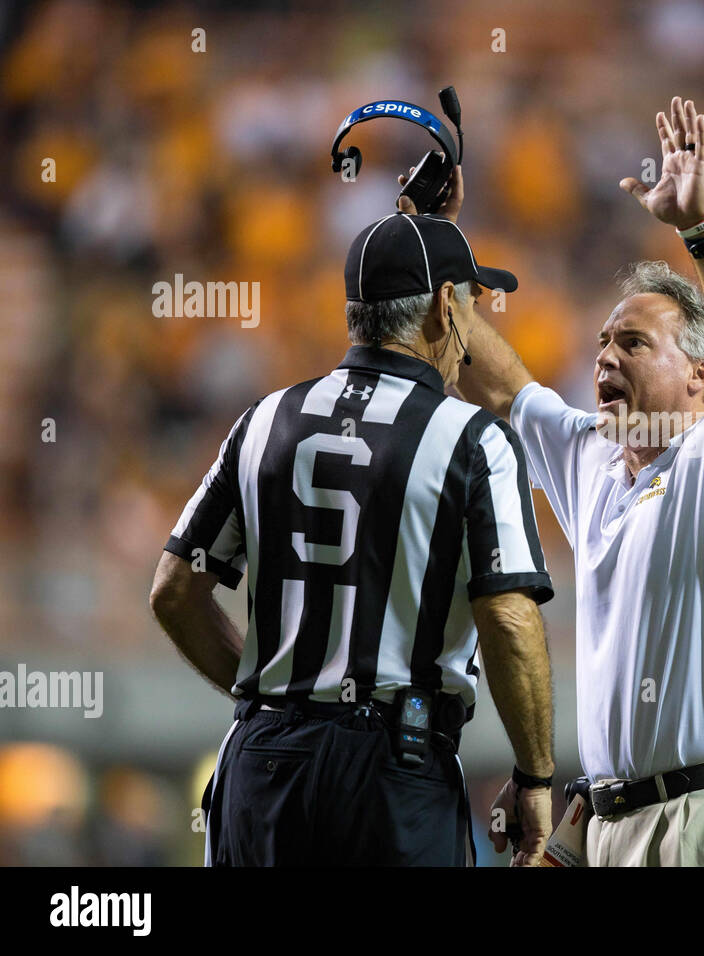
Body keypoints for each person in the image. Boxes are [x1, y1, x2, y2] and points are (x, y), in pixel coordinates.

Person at [434, 96, 704, 866]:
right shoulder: (598, 460)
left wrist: (702, 229)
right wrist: (431, 245)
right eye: (603, 341)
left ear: (703, 373)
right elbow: (500, 385)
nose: (605, 357)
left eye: (633, 342)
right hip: (605, 820)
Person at [150, 177, 557, 866]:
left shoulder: (264, 420)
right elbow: (511, 622)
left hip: (263, 762)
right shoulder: (471, 438)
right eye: (471, 304)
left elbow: (173, 592)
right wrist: (534, 775)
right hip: (392, 769)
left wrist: (272, 694)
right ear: (443, 309)